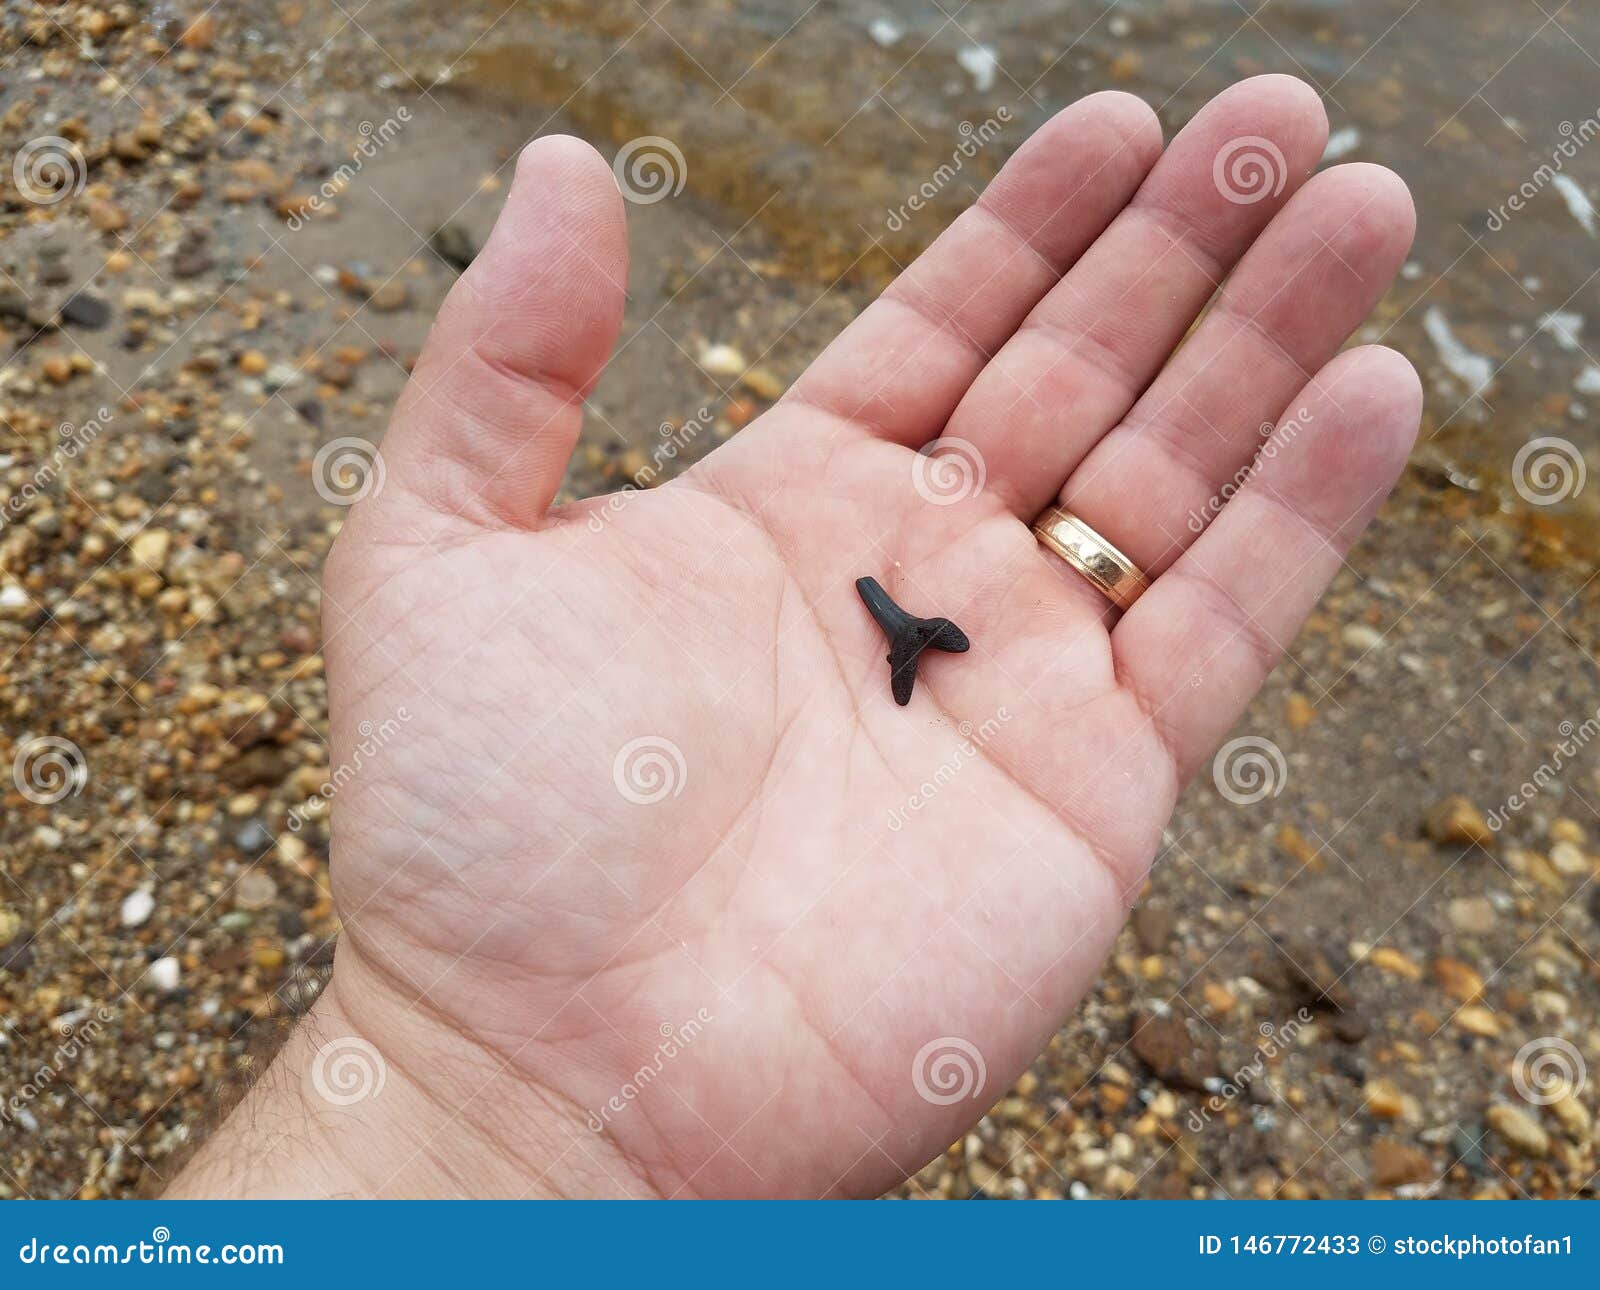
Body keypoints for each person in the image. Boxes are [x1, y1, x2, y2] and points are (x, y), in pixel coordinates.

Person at [168, 75, 1420, 1198]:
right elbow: (904, 628)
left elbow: (912, 630)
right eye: (910, 643)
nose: (912, 639)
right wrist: (459, 1063)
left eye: (915, 643)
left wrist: (457, 1099)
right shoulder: (902, 635)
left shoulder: (911, 636)